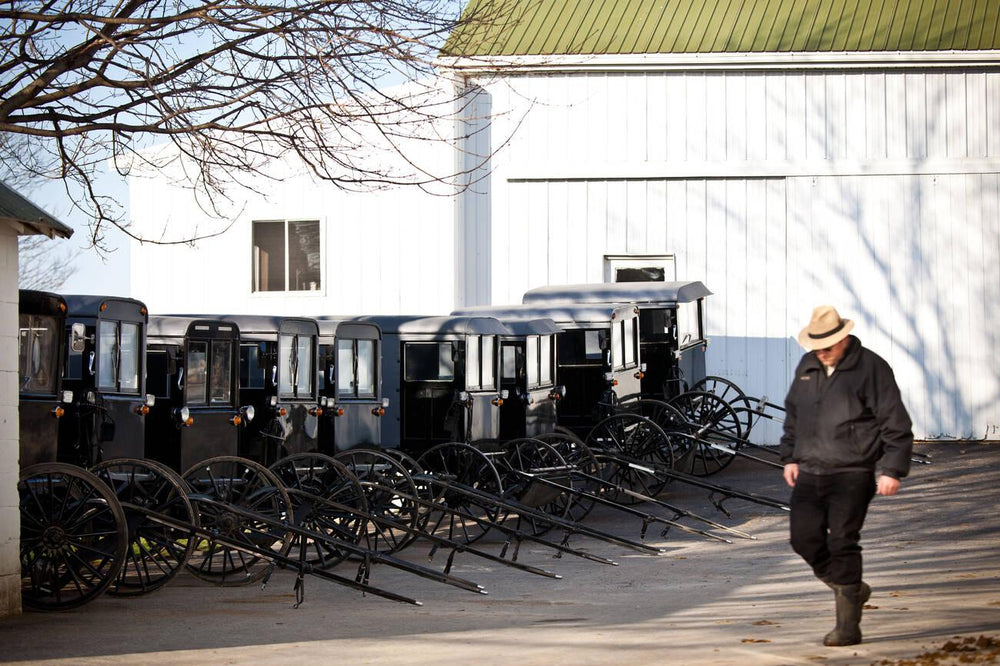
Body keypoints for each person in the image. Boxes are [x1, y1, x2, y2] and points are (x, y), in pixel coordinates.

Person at [780, 305, 914, 647]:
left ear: (842, 339)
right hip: (809, 470)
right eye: (816, 345)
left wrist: (893, 469)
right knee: (803, 538)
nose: (821, 351)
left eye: (827, 345)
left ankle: (847, 628)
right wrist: (789, 457)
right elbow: (795, 415)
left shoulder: (870, 367)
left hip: (852, 472)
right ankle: (851, 589)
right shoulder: (808, 365)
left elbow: (895, 422)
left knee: (842, 540)